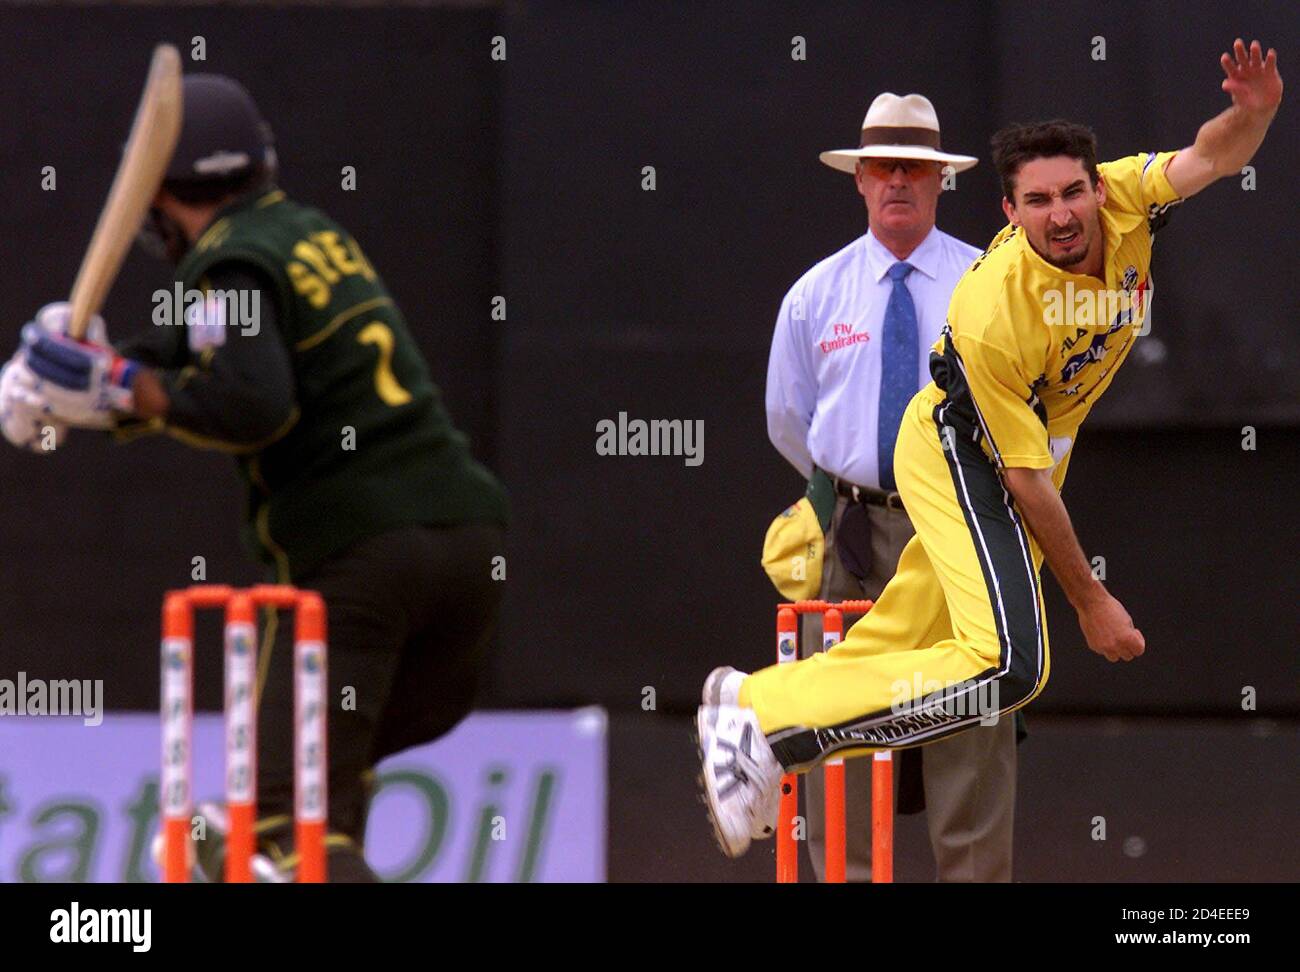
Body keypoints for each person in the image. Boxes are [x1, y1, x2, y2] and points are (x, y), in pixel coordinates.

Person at [698, 39, 1282, 858]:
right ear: (1009, 212)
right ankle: (772, 728)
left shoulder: (1125, 198)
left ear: (1099, 186)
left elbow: (1210, 155)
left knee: (910, 644)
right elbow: (1020, 476)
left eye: (1073, 192)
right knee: (1010, 667)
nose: (1063, 215)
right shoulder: (990, 310)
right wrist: (1090, 601)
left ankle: (756, 706)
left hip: (1014, 454)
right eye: (1038, 202)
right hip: (957, 451)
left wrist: (1253, 114)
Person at [0, 74, 509, 881]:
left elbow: (249, 400)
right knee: (323, 803)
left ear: (162, 191)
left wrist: (113, 388)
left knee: (274, 826)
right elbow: (199, 355)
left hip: (363, 560)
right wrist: (94, 373)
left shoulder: (227, 267)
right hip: (467, 555)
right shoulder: (299, 235)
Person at [762, 92, 1017, 882]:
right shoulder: (816, 294)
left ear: (942, 181)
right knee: (836, 717)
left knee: (968, 723)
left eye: (914, 167)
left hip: (961, 530)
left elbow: (1038, 411)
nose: (898, 181)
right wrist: (846, 489)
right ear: (860, 181)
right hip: (853, 531)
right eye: (883, 168)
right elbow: (788, 418)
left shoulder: (988, 281)